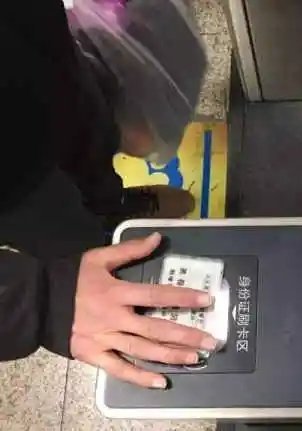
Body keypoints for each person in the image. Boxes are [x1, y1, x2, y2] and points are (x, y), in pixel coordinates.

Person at [0, 0, 215, 389]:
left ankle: (116, 210)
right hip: (12, 185)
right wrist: (44, 300)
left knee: (94, 148)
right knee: (66, 235)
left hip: (44, 58)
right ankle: (103, 252)